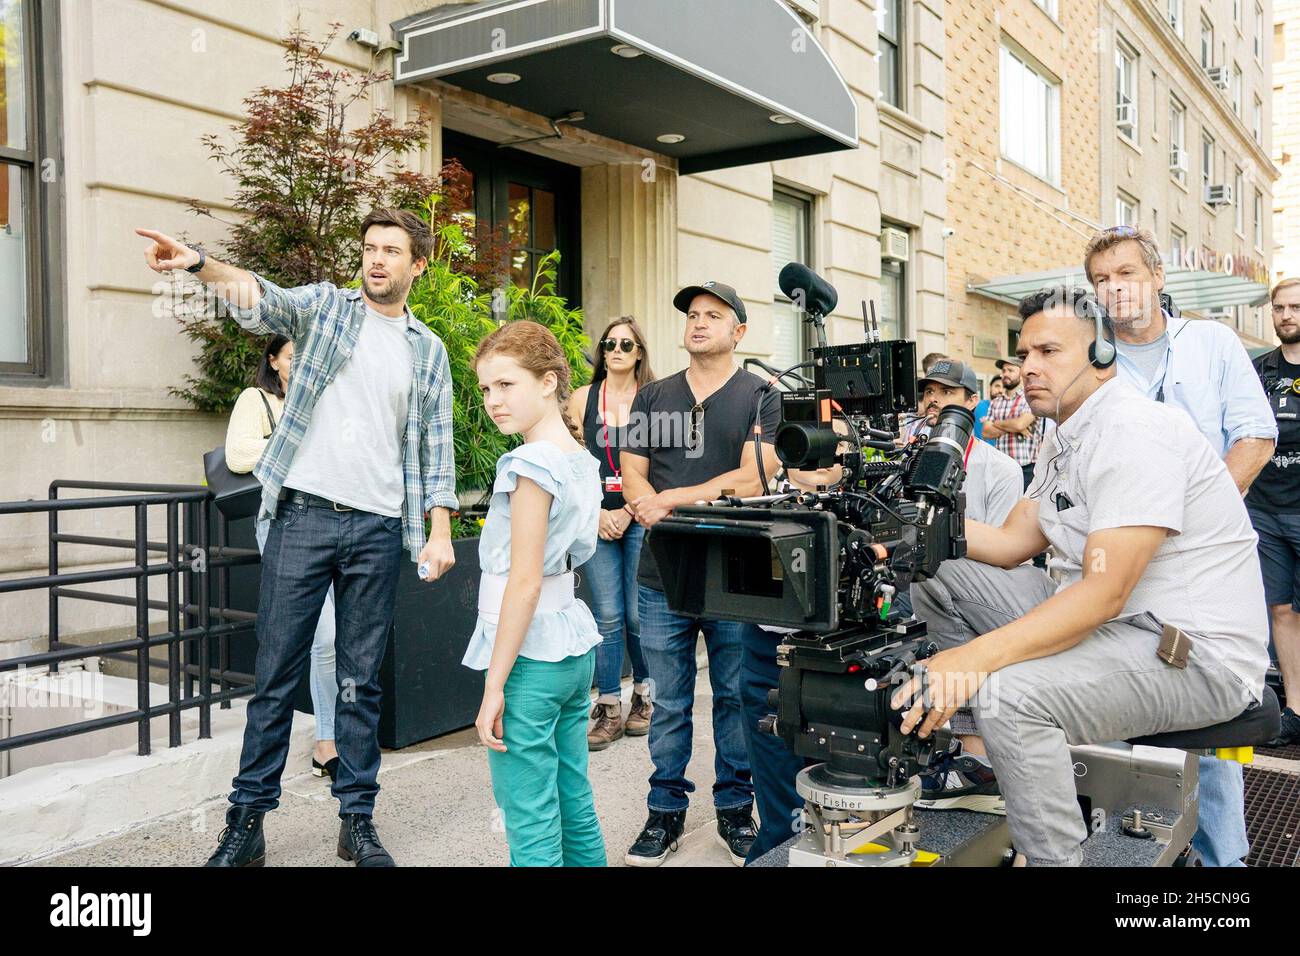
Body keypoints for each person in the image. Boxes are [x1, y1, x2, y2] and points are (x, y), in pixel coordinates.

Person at [900, 287, 1270, 866]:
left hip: (1193, 652)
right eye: (1024, 355)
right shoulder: (1062, 434)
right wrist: (904, 528)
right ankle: (981, 751)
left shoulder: (1134, 431)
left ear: (1101, 353)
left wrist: (971, 660)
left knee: (1008, 695)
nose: (1028, 370)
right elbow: (1011, 544)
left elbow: (1104, 592)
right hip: (1113, 626)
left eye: (1049, 352)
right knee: (934, 570)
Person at [139, 208, 458, 868]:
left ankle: (358, 820)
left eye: (391, 251)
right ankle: (246, 823)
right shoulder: (328, 310)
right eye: (369, 247)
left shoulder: (426, 350)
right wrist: (199, 263)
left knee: (359, 683)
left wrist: (440, 529)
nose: (376, 259)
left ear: (417, 265)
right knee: (276, 676)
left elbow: (436, 446)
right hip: (303, 518)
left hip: (376, 527)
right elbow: (264, 299)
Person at [1085, 225, 1276, 867]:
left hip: (1204, 571)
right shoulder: (1092, 357)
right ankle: (1133, 858)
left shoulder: (1215, 345)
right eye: (1102, 280)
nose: (1116, 289)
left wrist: (1198, 517)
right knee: (1118, 718)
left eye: (1127, 274)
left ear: (1158, 278)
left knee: (1208, 726)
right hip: (1118, 565)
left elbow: (1254, 436)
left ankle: (1224, 864)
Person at [620, 280, 779, 867]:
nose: (698, 322)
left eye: (714, 315)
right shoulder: (654, 396)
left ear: (739, 332)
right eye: (692, 313)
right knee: (667, 699)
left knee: (737, 697)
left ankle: (736, 809)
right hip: (663, 571)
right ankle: (665, 811)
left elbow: (752, 477)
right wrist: (645, 500)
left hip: (736, 574)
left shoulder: (760, 395)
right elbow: (632, 470)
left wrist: (672, 498)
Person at [466, 320, 607, 867]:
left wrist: (493, 685)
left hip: (529, 655)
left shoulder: (529, 464)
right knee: (572, 798)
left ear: (549, 382)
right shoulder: (579, 457)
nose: (493, 401)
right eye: (485, 388)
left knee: (529, 814)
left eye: (506, 385)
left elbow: (523, 582)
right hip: (570, 645)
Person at [225, 336, 341, 781]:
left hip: (332, 521)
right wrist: (302, 453)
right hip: (282, 523)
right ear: (273, 361)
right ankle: (313, 745)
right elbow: (238, 456)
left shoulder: (322, 400)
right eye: (292, 356)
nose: (300, 363)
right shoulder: (256, 400)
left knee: (330, 637)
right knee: (319, 636)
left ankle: (327, 740)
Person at [567, 317, 656, 750]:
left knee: (639, 613)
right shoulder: (581, 399)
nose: (616, 350)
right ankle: (607, 705)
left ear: (640, 352)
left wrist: (628, 510)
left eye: (626, 343)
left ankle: (643, 693)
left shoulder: (655, 399)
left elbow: (663, 465)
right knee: (606, 614)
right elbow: (569, 464)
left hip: (640, 516)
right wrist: (598, 513)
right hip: (595, 518)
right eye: (609, 343)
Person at [1247, 277, 1300, 746]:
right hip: (1265, 506)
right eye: (1279, 307)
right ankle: (1296, 709)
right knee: (1280, 608)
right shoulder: (1257, 368)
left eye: (1295, 307)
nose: (1286, 315)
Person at [983, 356, 1043, 489]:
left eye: (1010, 370)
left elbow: (1020, 424)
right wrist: (1014, 426)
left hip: (1026, 468)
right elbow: (986, 432)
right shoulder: (995, 402)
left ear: (1021, 373)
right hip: (1001, 468)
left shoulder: (1031, 399)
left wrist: (996, 423)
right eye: (1004, 371)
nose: (1005, 374)